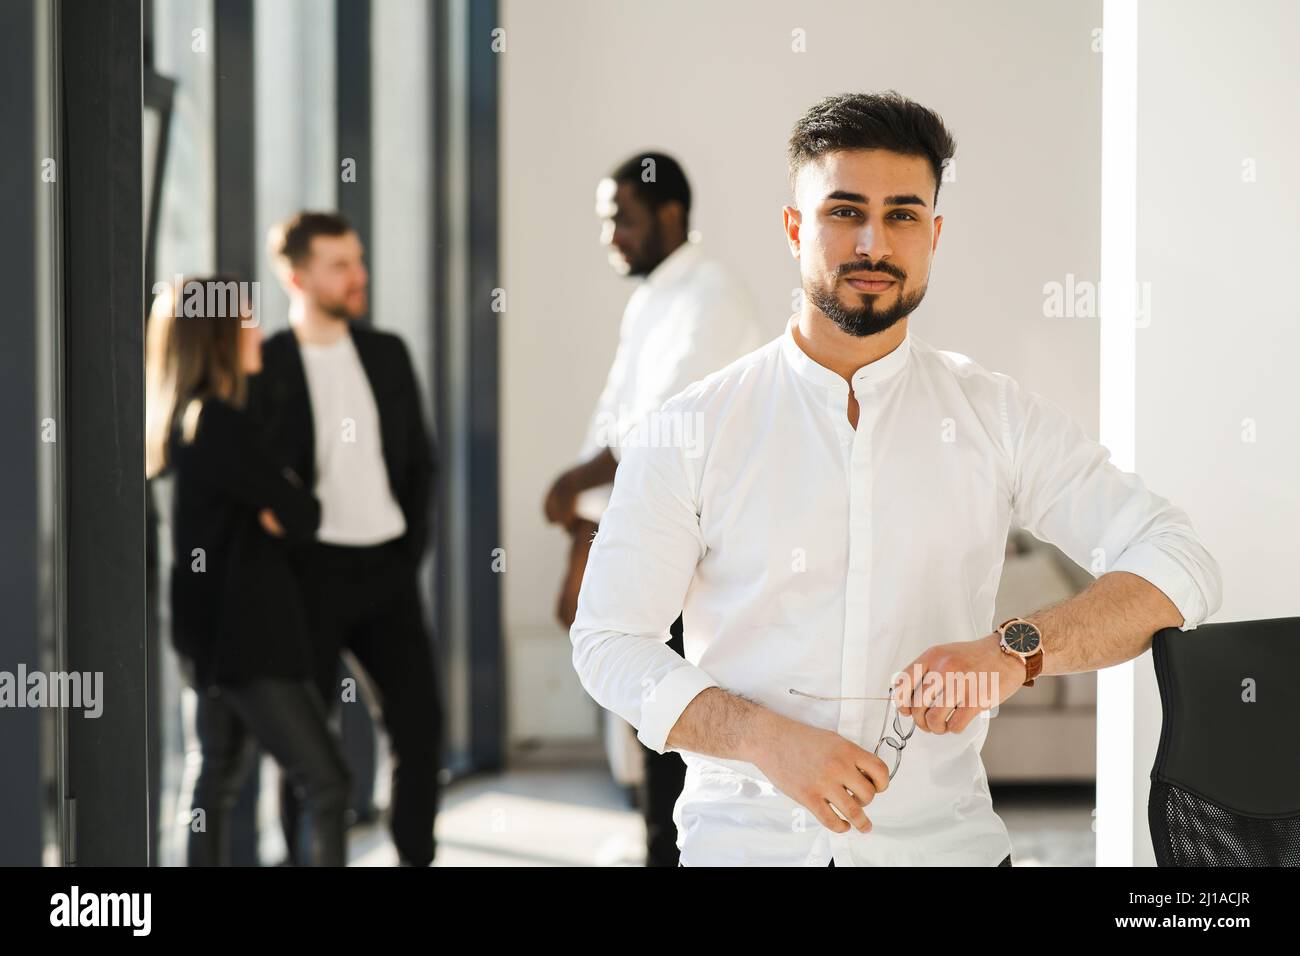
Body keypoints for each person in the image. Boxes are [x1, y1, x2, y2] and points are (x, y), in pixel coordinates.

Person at [570, 92, 1224, 867]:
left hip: (948, 852)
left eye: (904, 214)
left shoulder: (996, 415)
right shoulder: (693, 429)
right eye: (844, 211)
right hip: (746, 851)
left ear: (934, 235)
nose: (874, 243)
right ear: (794, 228)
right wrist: (761, 739)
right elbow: (609, 642)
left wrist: (1015, 650)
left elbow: (1180, 561)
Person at [543, 151, 765, 866]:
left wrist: (572, 482)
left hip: (699, 546)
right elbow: (614, 411)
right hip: (650, 536)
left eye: (623, 220)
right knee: (650, 715)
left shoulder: (712, 296)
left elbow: (658, 425)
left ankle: (669, 854)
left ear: (670, 216)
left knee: (675, 714)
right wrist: (580, 522)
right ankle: (658, 851)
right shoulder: (654, 296)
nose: (612, 236)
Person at [144, 275, 350, 867]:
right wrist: (283, 498)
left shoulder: (180, 421)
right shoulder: (223, 425)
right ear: (216, 334)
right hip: (250, 641)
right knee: (327, 780)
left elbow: (284, 511)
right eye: (246, 319)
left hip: (205, 641)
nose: (258, 330)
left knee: (213, 782)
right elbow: (302, 513)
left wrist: (280, 502)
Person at [256, 212, 442, 867]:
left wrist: (408, 552)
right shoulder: (269, 364)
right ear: (297, 275)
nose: (358, 276)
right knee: (307, 743)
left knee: (420, 731)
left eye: (358, 261)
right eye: (340, 265)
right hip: (306, 576)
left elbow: (420, 462)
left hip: (386, 569)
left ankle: (414, 857)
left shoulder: (386, 351)